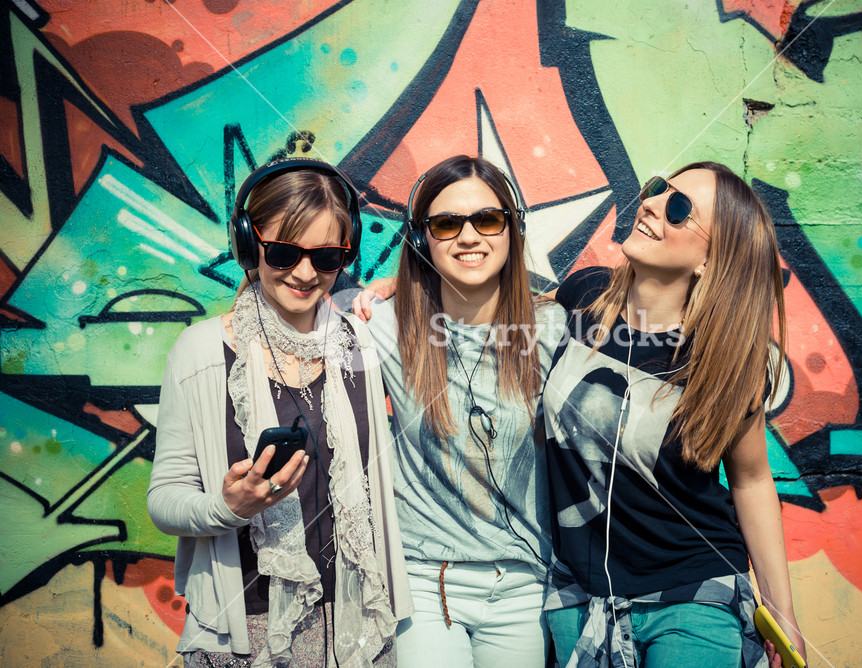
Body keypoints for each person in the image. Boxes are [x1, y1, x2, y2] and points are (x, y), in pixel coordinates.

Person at [147, 158, 411, 667]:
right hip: (247, 630)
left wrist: (403, 280)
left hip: (356, 627)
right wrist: (229, 508)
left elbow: (484, 300)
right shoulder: (201, 351)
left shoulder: (362, 339)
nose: (306, 273)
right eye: (285, 252)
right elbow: (165, 498)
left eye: (328, 256)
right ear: (250, 245)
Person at [541, 161, 805, 667]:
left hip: (692, 591)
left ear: (710, 259)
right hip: (581, 596)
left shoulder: (722, 360)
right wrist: (407, 289)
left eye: (679, 209)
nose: (653, 204)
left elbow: (750, 480)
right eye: (660, 189)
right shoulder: (587, 295)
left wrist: (781, 609)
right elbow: (499, 297)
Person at [356, 155, 566, 668]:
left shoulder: (556, 329)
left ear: (512, 230)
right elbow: (289, 302)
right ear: (421, 236)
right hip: (426, 582)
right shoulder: (384, 323)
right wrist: (391, 285)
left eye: (487, 220)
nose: (468, 236)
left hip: (524, 584)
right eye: (447, 224)